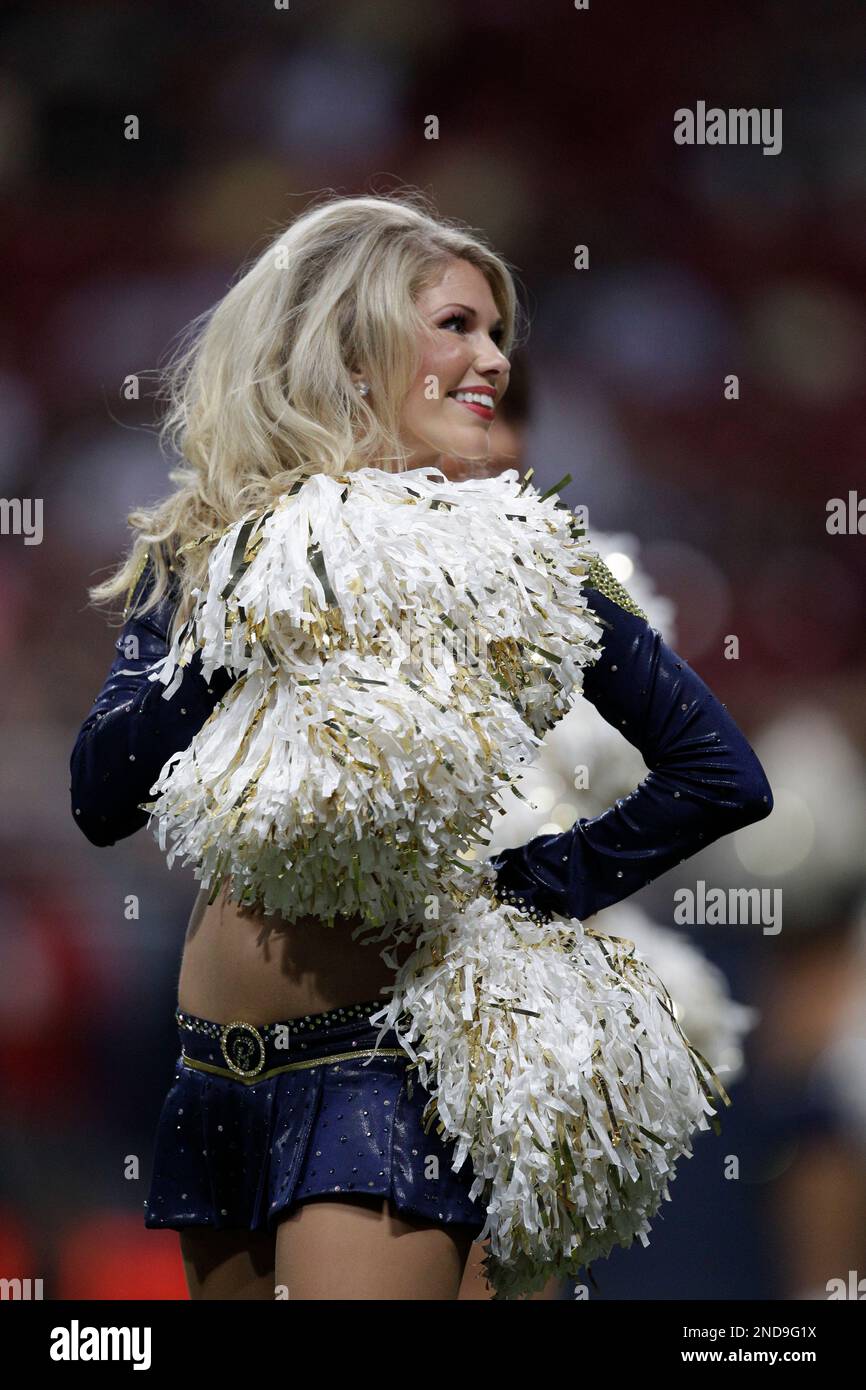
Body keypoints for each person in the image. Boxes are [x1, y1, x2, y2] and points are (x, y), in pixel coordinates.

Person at [69, 191, 773, 1300]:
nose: (491, 357)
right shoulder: (209, 548)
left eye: (496, 330)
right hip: (212, 1079)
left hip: (379, 1073)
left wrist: (530, 884)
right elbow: (102, 794)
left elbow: (719, 774)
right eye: (457, 325)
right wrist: (246, 598)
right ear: (346, 344)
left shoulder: (527, 554)